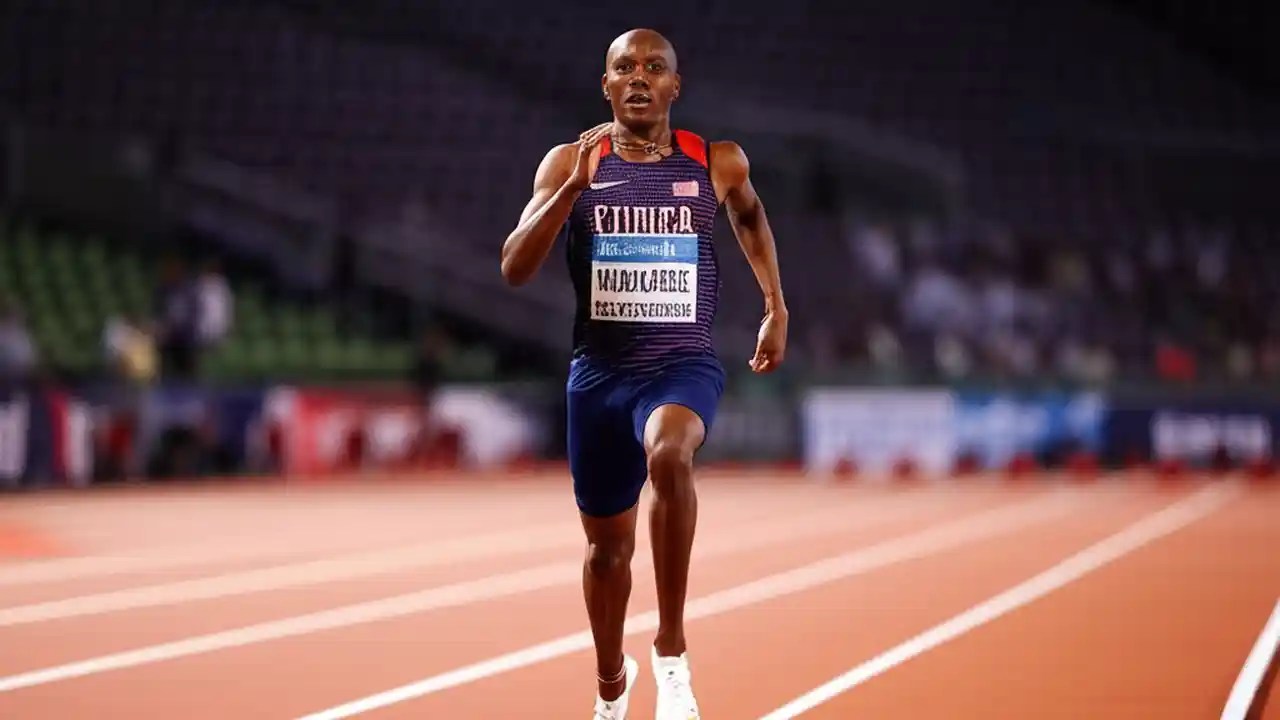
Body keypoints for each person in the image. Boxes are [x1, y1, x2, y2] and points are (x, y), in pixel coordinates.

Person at [500, 28, 788, 719]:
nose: (638, 77)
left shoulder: (715, 161)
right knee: (606, 554)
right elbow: (514, 266)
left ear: (673, 88)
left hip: (680, 365)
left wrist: (775, 304)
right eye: (623, 67)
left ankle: (671, 653)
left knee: (670, 453)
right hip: (599, 378)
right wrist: (571, 186)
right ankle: (610, 683)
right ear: (605, 86)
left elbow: (749, 217)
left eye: (653, 67)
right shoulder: (568, 163)